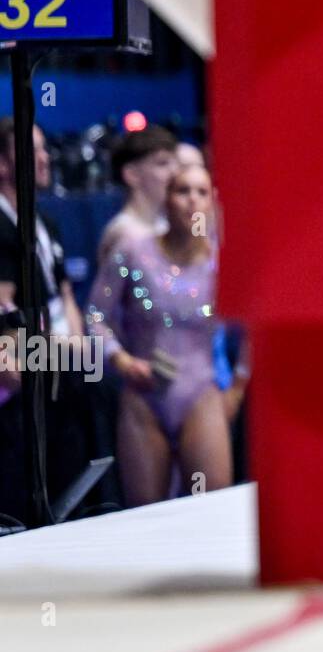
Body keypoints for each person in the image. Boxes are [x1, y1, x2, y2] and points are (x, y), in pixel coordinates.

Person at [84, 164, 245, 507]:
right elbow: (96, 316)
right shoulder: (133, 252)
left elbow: (256, 328)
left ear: (213, 203)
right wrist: (121, 360)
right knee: (147, 516)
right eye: (182, 191)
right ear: (166, 201)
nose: (192, 201)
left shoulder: (224, 263)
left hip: (200, 393)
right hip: (144, 396)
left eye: (202, 192)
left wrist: (237, 389)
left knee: (214, 510)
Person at [97, 126, 180, 266]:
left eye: (175, 163)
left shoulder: (165, 224)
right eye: (162, 163)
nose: (175, 172)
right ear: (132, 174)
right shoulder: (123, 233)